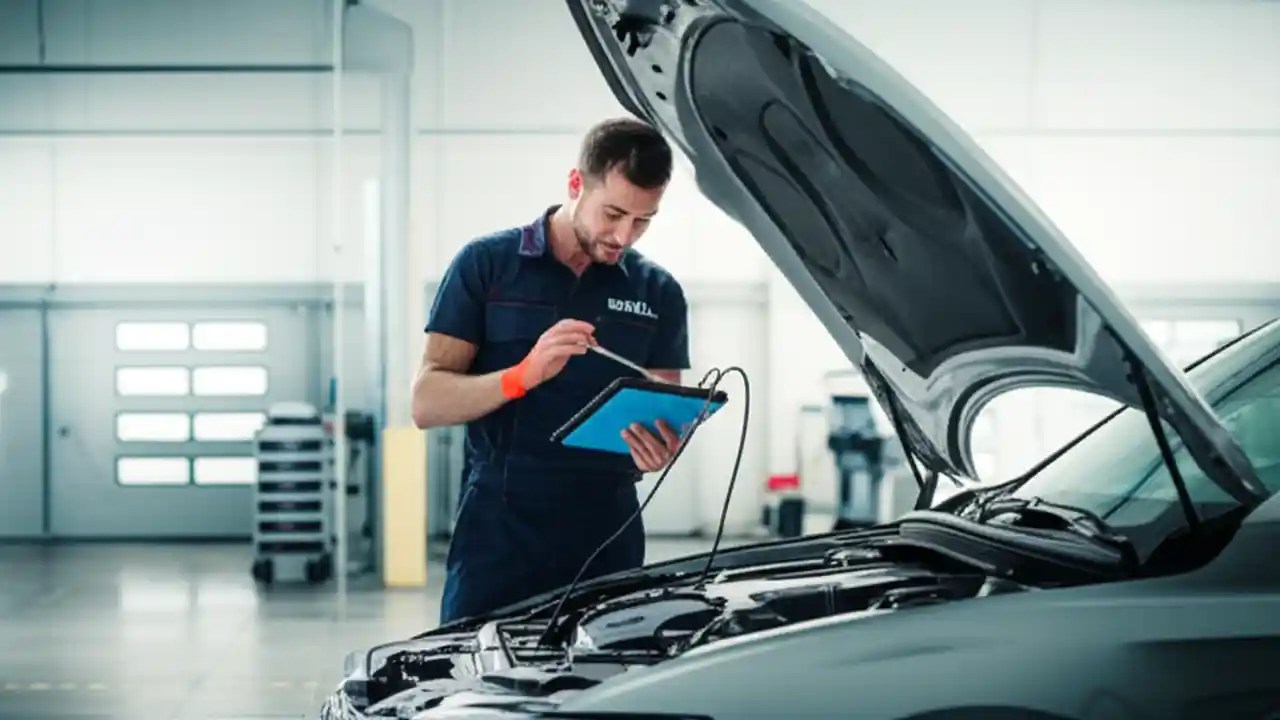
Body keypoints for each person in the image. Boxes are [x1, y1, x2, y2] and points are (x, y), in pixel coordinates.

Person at [412, 117, 691, 624]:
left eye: (644, 220)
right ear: (575, 183)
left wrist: (662, 449)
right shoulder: (487, 266)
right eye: (613, 213)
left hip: (607, 529)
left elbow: (665, 405)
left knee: (607, 688)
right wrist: (522, 374)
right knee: (478, 690)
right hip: (500, 526)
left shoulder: (659, 292)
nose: (624, 235)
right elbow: (426, 403)